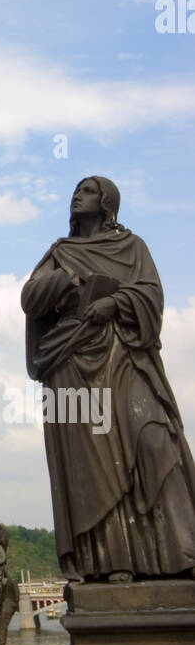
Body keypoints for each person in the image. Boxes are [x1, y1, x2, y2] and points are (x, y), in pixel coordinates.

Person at [21, 176, 195, 583]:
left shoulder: (132, 248)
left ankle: (179, 550)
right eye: (75, 191)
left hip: (125, 354)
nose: (77, 196)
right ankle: (111, 561)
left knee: (154, 439)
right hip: (70, 359)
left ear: (107, 202)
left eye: (87, 190)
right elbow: (30, 298)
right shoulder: (60, 252)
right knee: (94, 465)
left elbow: (151, 295)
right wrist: (67, 281)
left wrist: (115, 301)